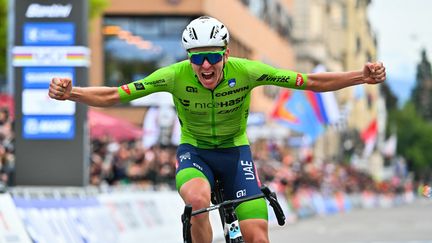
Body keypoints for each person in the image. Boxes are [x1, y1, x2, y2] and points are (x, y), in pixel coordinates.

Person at [49, 16, 386, 243]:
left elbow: (310, 81)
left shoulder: (249, 70)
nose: (205, 66)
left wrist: (361, 76)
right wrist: (72, 93)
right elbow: (113, 94)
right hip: (195, 152)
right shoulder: (173, 75)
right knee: (198, 201)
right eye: (197, 58)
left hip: (235, 152)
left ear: (226, 53)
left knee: (258, 237)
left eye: (211, 57)